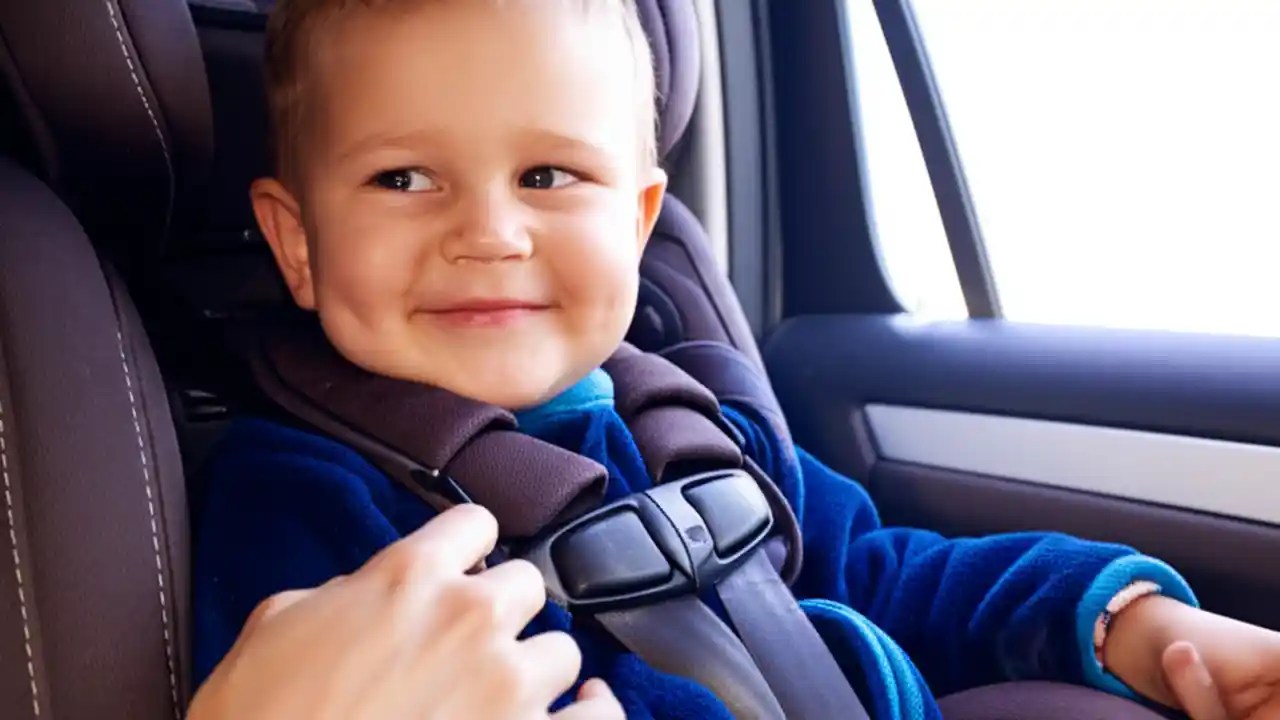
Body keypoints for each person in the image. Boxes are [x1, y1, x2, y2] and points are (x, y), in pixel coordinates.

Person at [192, 1, 1280, 718]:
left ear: (637, 223)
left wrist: (1131, 624)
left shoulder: (691, 425)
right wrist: (855, 673)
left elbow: (882, 571)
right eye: (402, 179)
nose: (489, 233)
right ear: (297, 243)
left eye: (548, 176)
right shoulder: (305, 499)